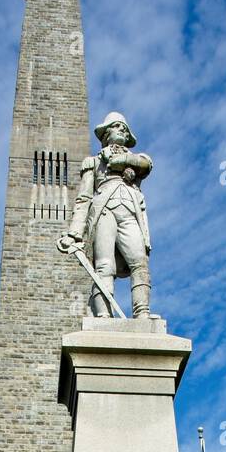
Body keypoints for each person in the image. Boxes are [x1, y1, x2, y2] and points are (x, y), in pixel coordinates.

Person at [60, 111, 153, 317]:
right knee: (104, 265)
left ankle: (142, 312)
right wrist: (74, 233)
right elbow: (83, 199)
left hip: (130, 212)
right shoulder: (93, 162)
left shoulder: (134, 161)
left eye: (125, 128)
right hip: (104, 212)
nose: (122, 130)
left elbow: (146, 164)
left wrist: (122, 161)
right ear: (106, 133)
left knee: (140, 261)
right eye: (117, 126)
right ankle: (103, 315)